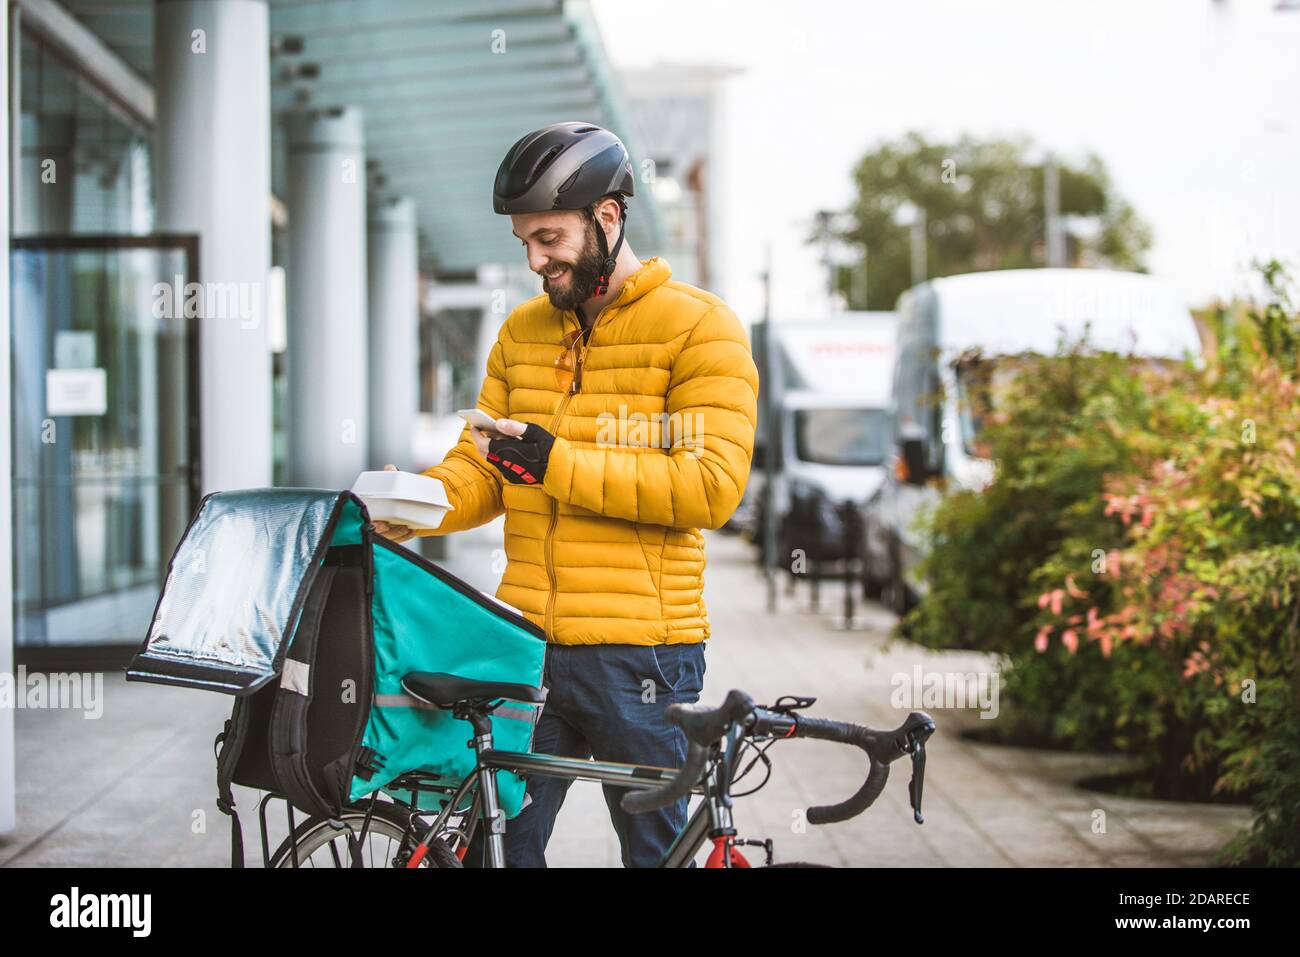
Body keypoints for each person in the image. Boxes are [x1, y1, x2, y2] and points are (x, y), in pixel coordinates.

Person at [373, 121, 760, 867]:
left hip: (643, 656)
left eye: (548, 237)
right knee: (496, 849)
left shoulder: (701, 328)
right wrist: (411, 505)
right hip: (528, 643)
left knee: (657, 853)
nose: (534, 260)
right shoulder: (521, 331)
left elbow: (709, 488)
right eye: (524, 241)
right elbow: (482, 468)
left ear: (607, 218)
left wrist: (557, 464)